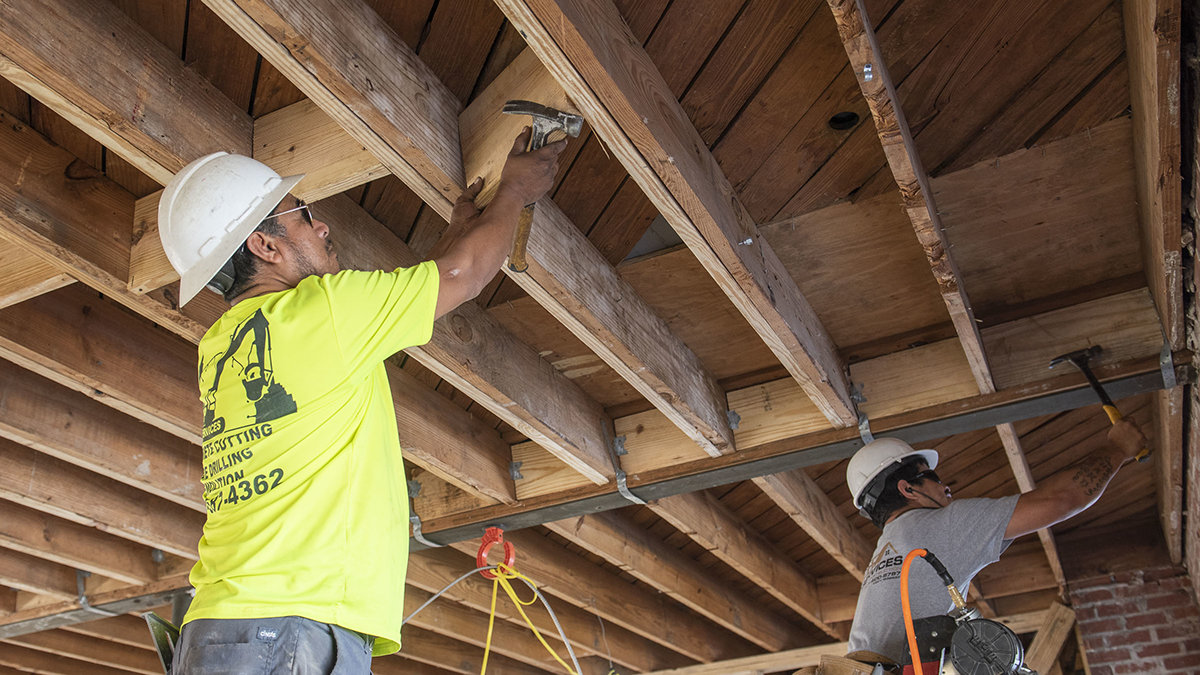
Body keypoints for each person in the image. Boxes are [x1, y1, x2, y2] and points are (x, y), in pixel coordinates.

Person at [157, 128, 566, 674]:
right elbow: (462, 276)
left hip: (235, 627)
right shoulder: (320, 312)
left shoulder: (225, 342)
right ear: (265, 245)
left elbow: (427, 282)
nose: (321, 224)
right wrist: (515, 192)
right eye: (301, 213)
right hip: (286, 628)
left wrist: (461, 234)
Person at [842, 419, 1147, 667]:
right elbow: (1063, 499)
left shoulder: (888, 545)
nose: (946, 487)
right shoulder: (944, 524)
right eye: (932, 476)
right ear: (908, 488)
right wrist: (1118, 447)